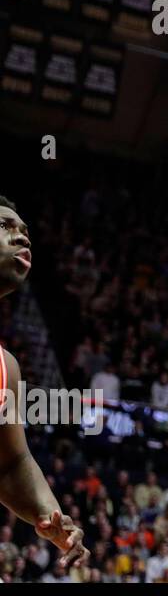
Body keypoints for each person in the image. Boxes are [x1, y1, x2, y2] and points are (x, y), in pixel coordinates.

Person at [0, 195, 89, 569]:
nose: (22, 238)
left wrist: (50, 514)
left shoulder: (6, 367)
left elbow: (10, 464)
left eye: (25, 232)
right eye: (5, 226)